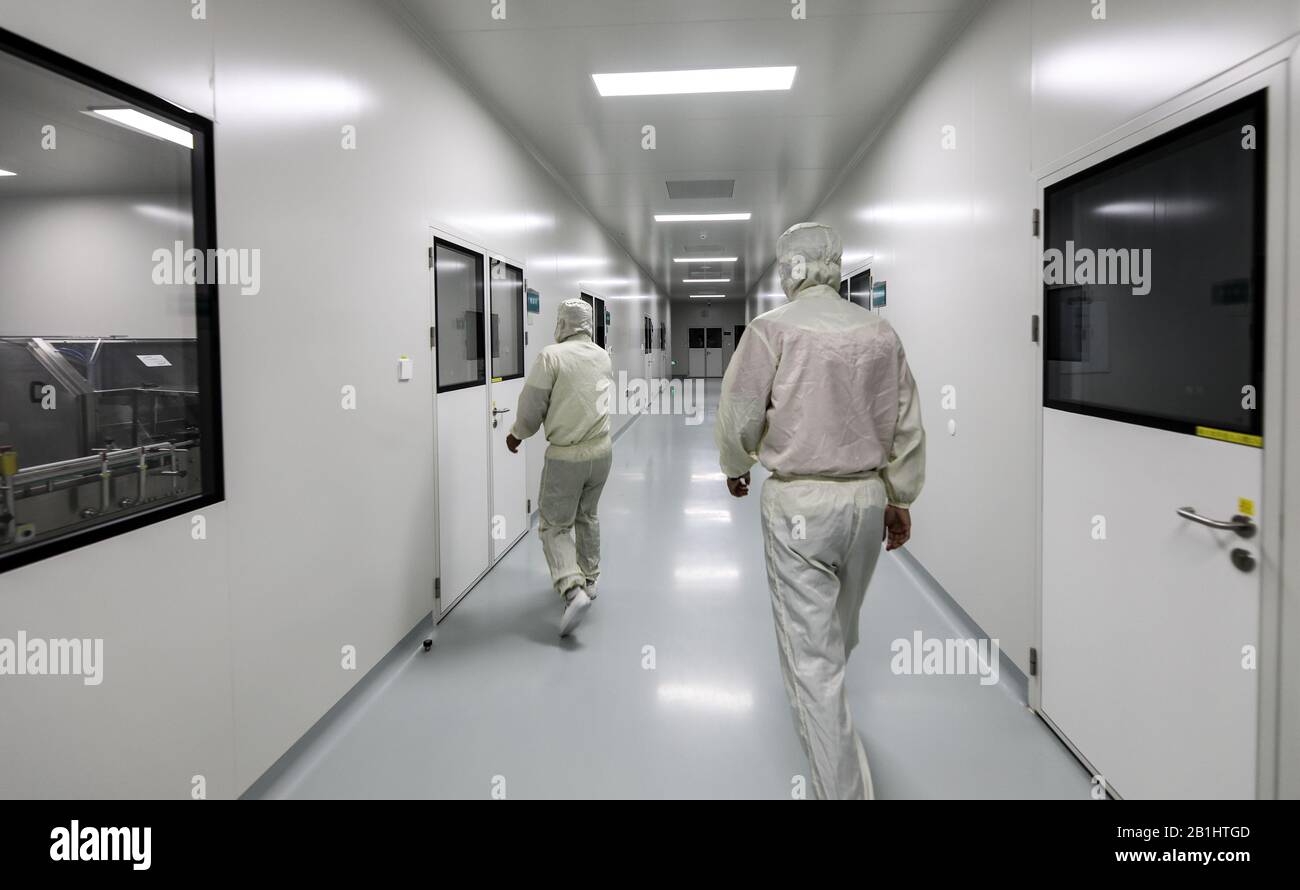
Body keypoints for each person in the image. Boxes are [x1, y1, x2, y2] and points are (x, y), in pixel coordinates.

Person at [715, 222, 925, 800]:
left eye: (785, 265)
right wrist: (899, 496)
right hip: (866, 499)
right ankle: (832, 721)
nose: (783, 275)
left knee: (813, 657)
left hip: (799, 505)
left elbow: (739, 411)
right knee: (838, 632)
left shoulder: (770, 330)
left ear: (799, 268)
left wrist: (736, 464)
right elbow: (906, 421)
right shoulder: (880, 332)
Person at [506, 298, 614, 637]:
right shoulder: (602, 355)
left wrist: (517, 434)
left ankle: (572, 589)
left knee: (553, 525)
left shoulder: (551, 356)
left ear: (563, 323)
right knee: (587, 516)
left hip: (567, 457)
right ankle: (590, 579)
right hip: (602, 452)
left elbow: (531, 404)